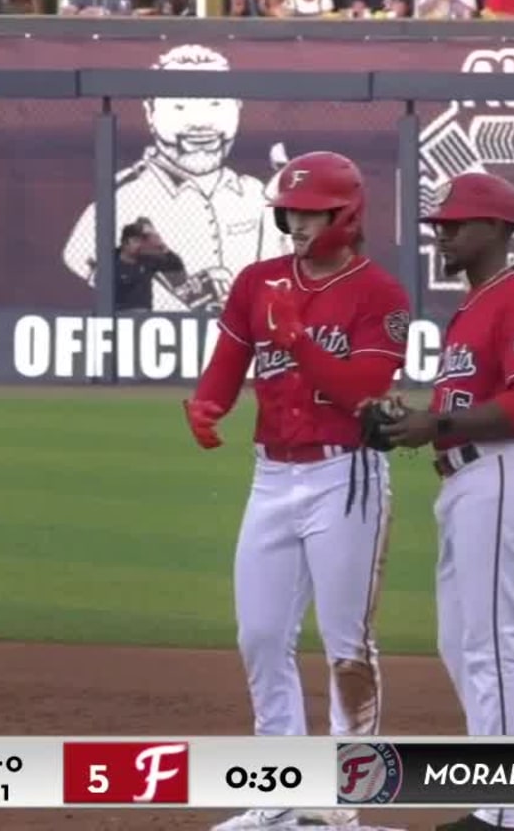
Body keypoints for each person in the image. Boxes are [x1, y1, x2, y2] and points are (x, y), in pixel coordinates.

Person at [185, 151, 412, 831]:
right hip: (272, 474)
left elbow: (363, 390)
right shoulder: (258, 281)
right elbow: (231, 357)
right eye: (290, 212)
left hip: (346, 476)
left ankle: (347, 800)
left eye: (311, 212)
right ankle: (279, 793)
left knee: (348, 645)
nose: (298, 223)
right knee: (260, 635)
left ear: (346, 214)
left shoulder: (380, 294)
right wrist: (209, 402)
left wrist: (301, 341)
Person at [374, 172, 514, 831]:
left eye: (455, 224)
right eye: (439, 224)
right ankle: (499, 797)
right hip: (468, 481)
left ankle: (507, 808)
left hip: (498, 474)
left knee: (488, 645)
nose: (443, 234)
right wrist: (414, 418)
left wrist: (437, 424)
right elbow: (462, 403)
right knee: (460, 642)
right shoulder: (475, 304)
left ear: (498, 229)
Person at [61, 45, 285, 313]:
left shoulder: (253, 193)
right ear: (150, 112)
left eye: (215, 104)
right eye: (180, 106)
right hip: (164, 336)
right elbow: (80, 258)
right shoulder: (125, 196)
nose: (201, 123)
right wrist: (177, 301)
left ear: (238, 107)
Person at [110, 220, 186, 311]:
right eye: (136, 241)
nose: (139, 245)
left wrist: (162, 246)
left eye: (141, 241)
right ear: (125, 243)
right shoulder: (110, 261)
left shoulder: (147, 259)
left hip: (144, 314)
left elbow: (176, 266)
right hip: (118, 313)